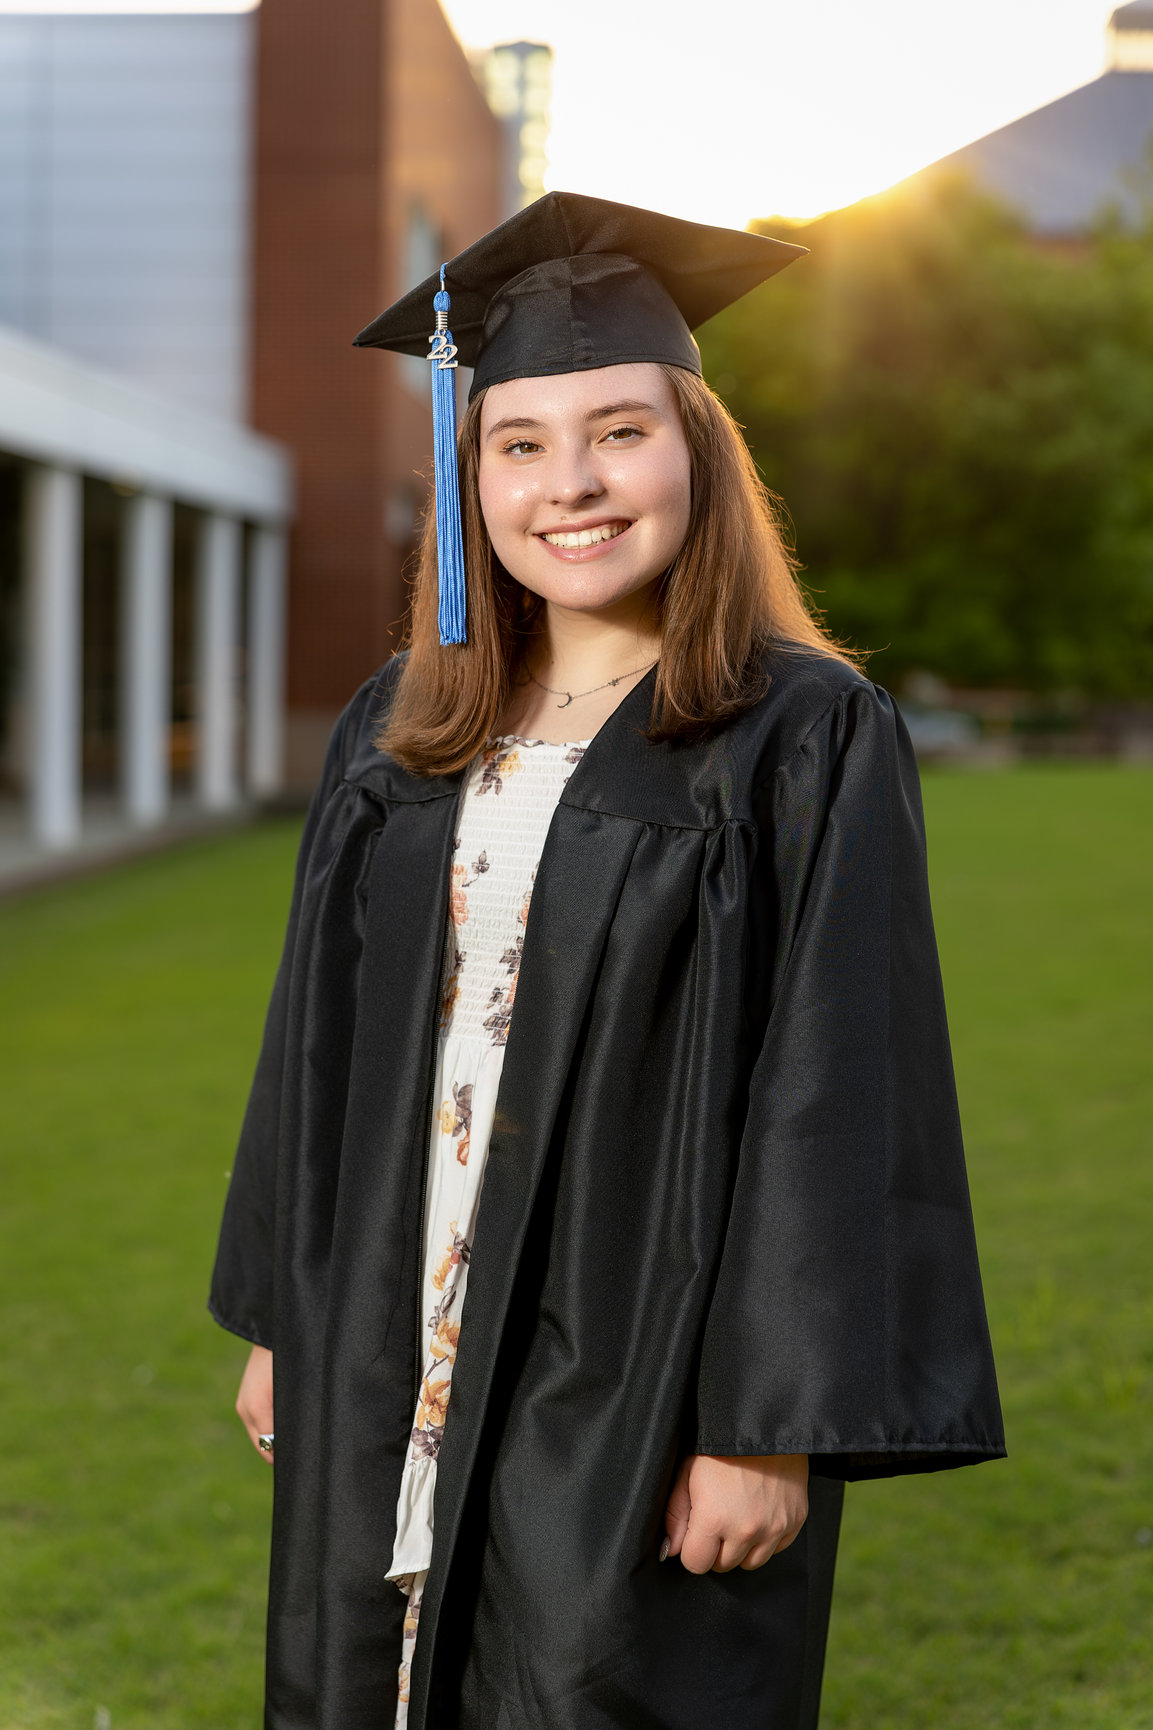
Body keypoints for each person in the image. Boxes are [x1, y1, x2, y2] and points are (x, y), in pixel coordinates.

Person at [210, 192, 1004, 1730]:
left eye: (619, 431)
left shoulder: (800, 732)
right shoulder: (396, 732)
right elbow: (309, 1039)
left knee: (592, 1681)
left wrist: (764, 1423)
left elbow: (838, 1083)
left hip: (636, 1344)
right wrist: (279, 1319)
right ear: (471, 471)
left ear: (695, 451)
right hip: (394, 1312)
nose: (569, 483)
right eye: (520, 443)